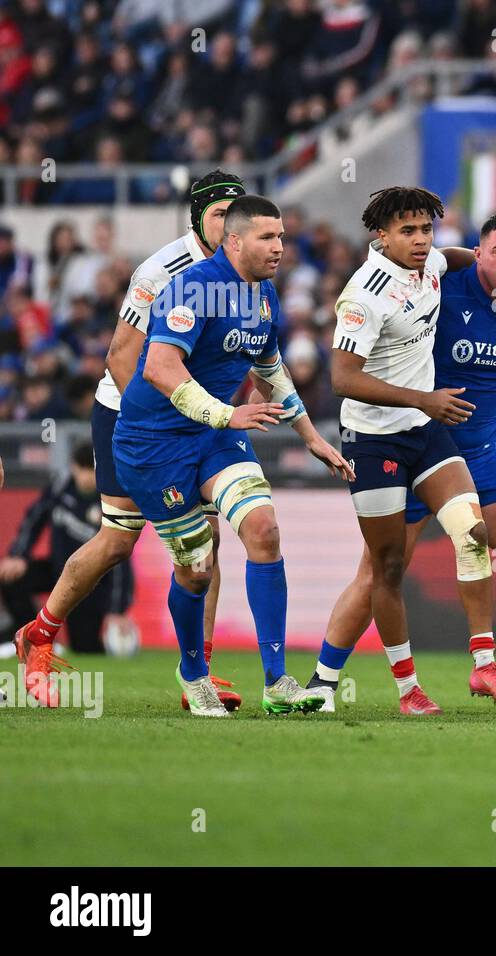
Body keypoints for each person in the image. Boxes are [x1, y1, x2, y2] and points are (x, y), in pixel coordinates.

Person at [111, 195, 353, 717]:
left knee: (263, 530)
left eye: (283, 237)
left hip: (216, 435)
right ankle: (194, 676)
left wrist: (309, 434)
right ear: (234, 240)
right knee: (197, 567)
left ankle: (277, 682)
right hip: (154, 443)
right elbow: (158, 366)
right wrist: (225, 414)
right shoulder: (194, 287)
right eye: (268, 238)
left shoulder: (262, 294)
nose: (279, 247)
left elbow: (269, 368)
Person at [13, 170, 246, 710]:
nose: (230, 226)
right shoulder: (163, 270)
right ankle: (39, 633)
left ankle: (199, 676)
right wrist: (152, 429)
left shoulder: (245, 271)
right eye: (219, 215)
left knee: (207, 541)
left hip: (195, 420)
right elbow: (120, 356)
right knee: (118, 540)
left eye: (238, 217)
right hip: (131, 416)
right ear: (197, 217)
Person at [310, 187, 496, 715]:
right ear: (381, 236)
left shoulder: (428, 262)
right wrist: (423, 398)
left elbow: (454, 258)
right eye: (408, 231)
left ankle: (484, 666)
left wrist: (495, 267)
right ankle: (407, 688)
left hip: (425, 429)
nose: (421, 240)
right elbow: (342, 378)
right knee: (387, 566)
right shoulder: (363, 296)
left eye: (426, 229)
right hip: (374, 441)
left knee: (474, 531)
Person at [1, 442, 132, 659]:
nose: (87, 477)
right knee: (11, 578)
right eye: (83, 469)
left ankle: (74, 641)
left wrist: (117, 609)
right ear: (74, 467)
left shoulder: (109, 498)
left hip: (88, 583)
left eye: (92, 470)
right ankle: (28, 637)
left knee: (86, 648)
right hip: (56, 569)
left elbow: (121, 559)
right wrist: (18, 555)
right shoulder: (60, 487)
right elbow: (33, 520)